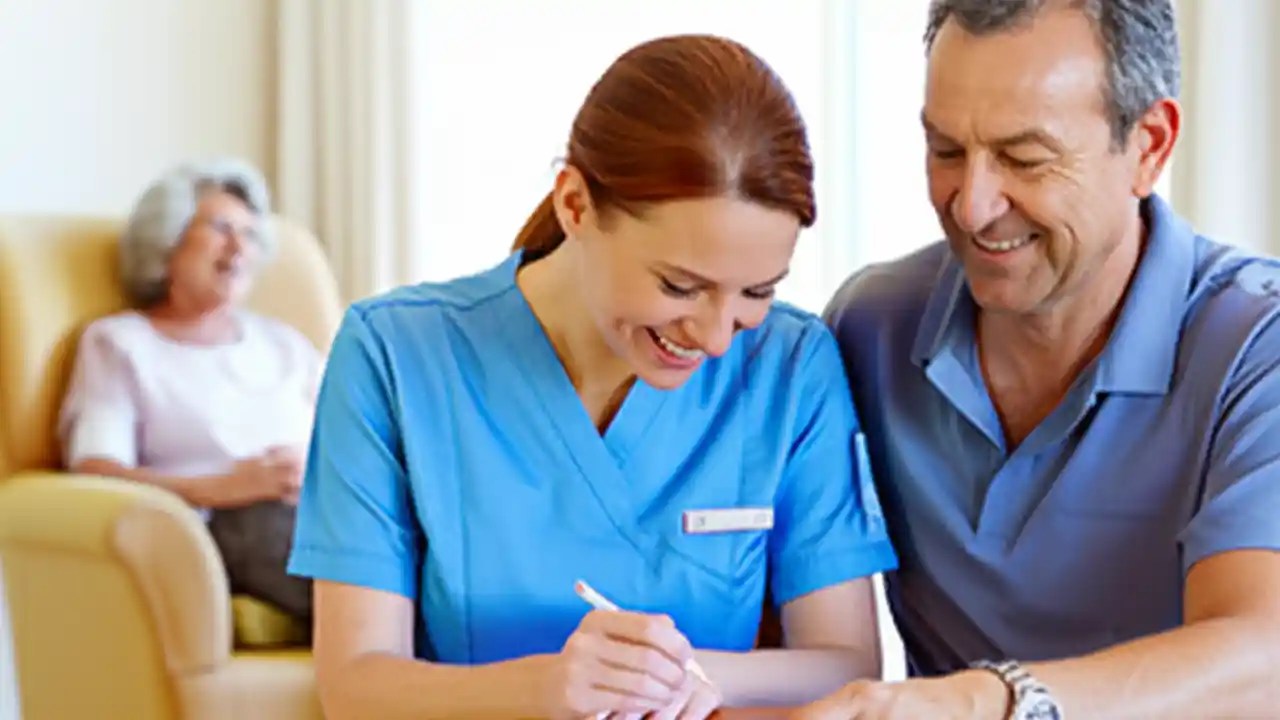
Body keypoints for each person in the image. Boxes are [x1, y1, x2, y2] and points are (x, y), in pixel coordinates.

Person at [287, 33, 898, 720]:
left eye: (757, 291)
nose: (719, 336)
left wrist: (690, 675)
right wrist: (544, 691)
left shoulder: (792, 368)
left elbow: (847, 664)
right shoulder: (394, 355)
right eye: (680, 285)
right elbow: (354, 686)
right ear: (575, 206)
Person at [801, 1, 1280, 718]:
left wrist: (987, 701)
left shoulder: (1257, 345)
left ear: (1148, 146)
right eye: (946, 151)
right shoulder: (869, 328)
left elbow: (1261, 658)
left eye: (1025, 159)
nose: (972, 206)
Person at [58, 158, 321, 624]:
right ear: (166, 241)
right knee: (368, 576)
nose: (240, 247)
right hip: (219, 527)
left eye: (252, 234)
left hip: (324, 514)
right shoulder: (121, 344)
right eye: (221, 228)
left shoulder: (285, 345)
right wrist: (222, 488)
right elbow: (96, 471)